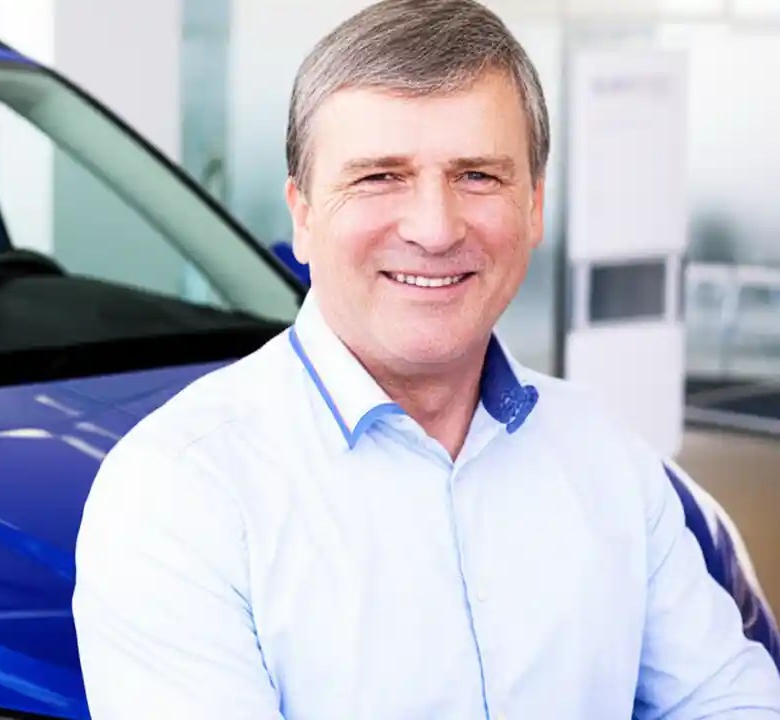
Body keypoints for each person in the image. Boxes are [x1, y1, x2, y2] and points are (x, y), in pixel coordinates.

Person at [71, 0, 780, 716]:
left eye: (478, 175)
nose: (435, 229)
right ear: (304, 213)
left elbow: (728, 699)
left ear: (534, 206)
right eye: (380, 176)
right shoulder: (178, 495)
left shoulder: (607, 456)